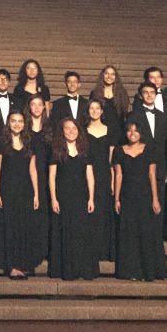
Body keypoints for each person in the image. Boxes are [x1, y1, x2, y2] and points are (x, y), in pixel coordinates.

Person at [113, 122, 165, 281]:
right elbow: (118, 176)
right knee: (129, 234)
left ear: (141, 133)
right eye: (129, 130)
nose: (132, 133)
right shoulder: (119, 151)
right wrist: (116, 198)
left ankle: (147, 271)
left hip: (145, 196)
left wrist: (155, 199)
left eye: (135, 131)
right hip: (127, 196)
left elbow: (152, 175)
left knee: (145, 232)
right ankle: (132, 272)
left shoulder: (150, 149)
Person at [48, 117, 97, 280]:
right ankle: (67, 269)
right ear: (62, 131)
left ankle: (82, 268)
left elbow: (90, 175)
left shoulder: (85, 149)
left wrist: (91, 198)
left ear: (78, 130)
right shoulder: (56, 150)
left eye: (73, 128)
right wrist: (53, 199)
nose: (71, 131)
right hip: (63, 196)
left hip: (81, 196)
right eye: (67, 128)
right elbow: (52, 176)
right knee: (66, 232)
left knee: (81, 233)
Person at [0, 112, 38, 279]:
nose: (17, 124)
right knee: (10, 227)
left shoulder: (28, 142)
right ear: (8, 123)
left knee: (23, 227)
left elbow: (32, 169)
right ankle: (12, 266)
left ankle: (22, 263)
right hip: (7, 189)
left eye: (20, 121)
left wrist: (36, 193)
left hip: (25, 190)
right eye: (13, 121)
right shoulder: (2, 142)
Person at [85, 98, 116, 262]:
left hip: (104, 174)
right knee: (90, 212)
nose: (95, 111)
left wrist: (112, 180)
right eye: (92, 108)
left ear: (102, 111)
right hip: (87, 174)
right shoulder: (82, 130)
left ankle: (104, 249)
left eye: (97, 108)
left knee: (103, 211)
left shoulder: (109, 130)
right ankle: (91, 249)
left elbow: (111, 159)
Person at [24, 95, 50, 270]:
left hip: (46, 174)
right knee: (30, 214)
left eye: (40, 104)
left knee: (43, 215)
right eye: (33, 104)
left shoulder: (50, 128)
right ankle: (30, 251)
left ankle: (43, 250)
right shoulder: (23, 127)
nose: (37, 107)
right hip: (27, 175)